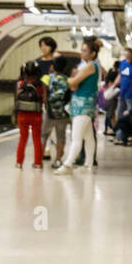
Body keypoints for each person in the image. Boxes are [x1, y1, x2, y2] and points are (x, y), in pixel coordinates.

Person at [53, 37, 102, 176]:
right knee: (88, 136)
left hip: (83, 104)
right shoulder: (92, 65)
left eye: (85, 50)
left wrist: (68, 78)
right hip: (85, 103)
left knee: (76, 137)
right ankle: (88, 164)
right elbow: (74, 83)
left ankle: (67, 165)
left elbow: (73, 82)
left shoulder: (90, 66)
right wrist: (73, 80)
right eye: (82, 50)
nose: (82, 53)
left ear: (92, 53)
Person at [14, 61, 45, 169]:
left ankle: (19, 163)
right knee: (36, 139)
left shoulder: (20, 82)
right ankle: (37, 163)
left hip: (22, 114)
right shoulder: (40, 83)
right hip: (36, 114)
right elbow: (44, 99)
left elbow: (17, 96)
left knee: (23, 138)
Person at [41, 55, 71, 168]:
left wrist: (45, 106)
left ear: (53, 66)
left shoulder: (46, 78)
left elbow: (44, 95)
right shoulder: (68, 79)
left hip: (50, 112)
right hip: (63, 113)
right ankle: (58, 160)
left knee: (44, 135)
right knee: (61, 137)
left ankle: (38, 159)